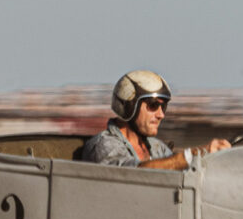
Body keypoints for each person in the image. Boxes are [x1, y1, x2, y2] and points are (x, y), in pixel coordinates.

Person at [84, 70, 230, 169]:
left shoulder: (156, 147)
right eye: (153, 105)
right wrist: (196, 154)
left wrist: (213, 157)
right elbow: (133, 175)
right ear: (129, 107)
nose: (161, 115)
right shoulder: (102, 145)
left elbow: (181, 171)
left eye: (163, 107)